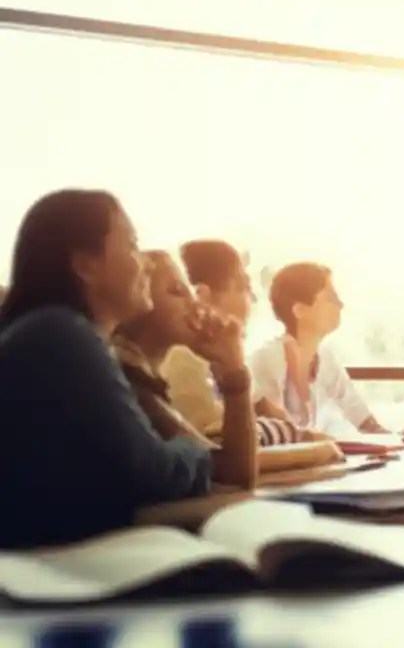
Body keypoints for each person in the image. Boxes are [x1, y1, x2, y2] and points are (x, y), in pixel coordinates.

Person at [0, 190, 255, 549]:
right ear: (86, 265)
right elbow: (151, 474)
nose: (146, 264)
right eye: (132, 245)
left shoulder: (56, 333)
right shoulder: (62, 335)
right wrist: (193, 451)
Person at [116, 251, 341, 468]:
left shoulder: (148, 380)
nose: (195, 304)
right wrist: (234, 369)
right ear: (139, 296)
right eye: (176, 291)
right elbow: (230, 468)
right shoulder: (133, 384)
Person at [248, 262, 404, 446]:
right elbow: (283, 434)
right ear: (300, 310)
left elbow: (366, 423)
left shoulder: (326, 359)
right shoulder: (268, 360)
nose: (340, 304)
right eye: (330, 298)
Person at [159, 239, 306, 436]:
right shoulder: (181, 358)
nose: (252, 299)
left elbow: (265, 410)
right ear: (203, 296)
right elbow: (221, 438)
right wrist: (295, 435)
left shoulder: (224, 358)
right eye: (242, 287)